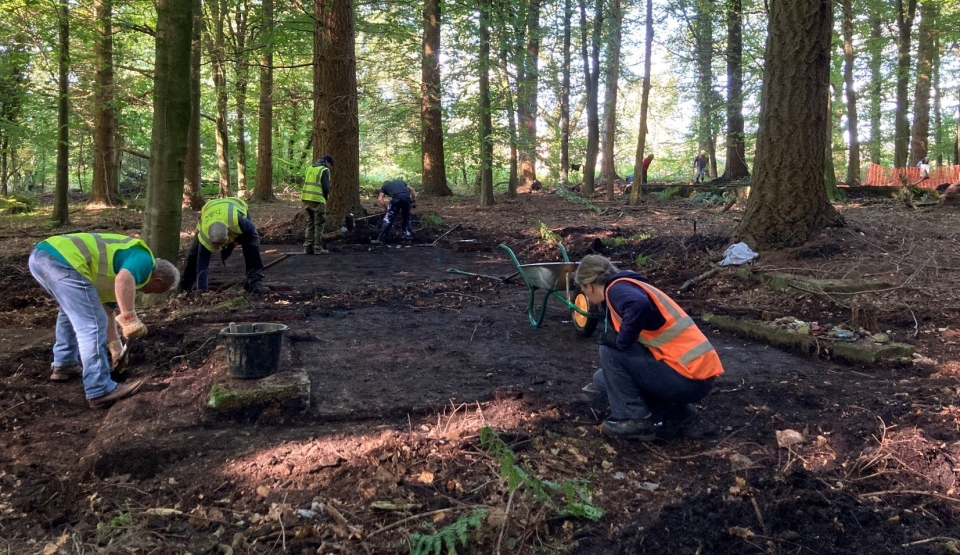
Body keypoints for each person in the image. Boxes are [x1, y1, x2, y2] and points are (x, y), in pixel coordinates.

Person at [575, 255, 724, 440]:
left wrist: (621, 339)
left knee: (609, 351)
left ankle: (634, 420)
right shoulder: (630, 285)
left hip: (688, 376)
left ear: (589, 286)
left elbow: (638, 305)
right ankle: (675, 411)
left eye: (584, 291)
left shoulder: (616, 289)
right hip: (692, 375)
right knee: (602, 379)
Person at [28, 233, 180, 408]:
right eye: (155, 291)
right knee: (91, 324)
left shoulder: (112, 276)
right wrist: (130, 319)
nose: (148, 293)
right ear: (159, 280)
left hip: (44, 257)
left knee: (70, 313)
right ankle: (99, 389)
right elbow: (125, 279)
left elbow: (107, 311)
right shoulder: (145, 260)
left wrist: (116, 348)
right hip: (61, 260)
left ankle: (64, 363)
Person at [179, 197, 267, 295]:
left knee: (252, 245)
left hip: (235, 205)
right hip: (209, 208)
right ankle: (184, 287)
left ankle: (254, 281)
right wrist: (203, 291)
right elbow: (202, 265)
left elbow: (251, 233)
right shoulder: (204, 236)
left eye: (221, 243)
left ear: (227, 234)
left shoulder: (238, 222)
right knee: (193, 255)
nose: (218, 248)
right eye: (216, 244)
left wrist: (234, 244)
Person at [302, 155, 333, 255]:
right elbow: (325, 187)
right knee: (319, 223)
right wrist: (326, 197)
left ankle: (307, 247)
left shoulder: (310, 168)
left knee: (310, 223)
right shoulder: (324, 170)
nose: (330, 167)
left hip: (306, 198)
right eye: (331, 165)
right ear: (327, 162)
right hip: (317, 199)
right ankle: (318, 248)